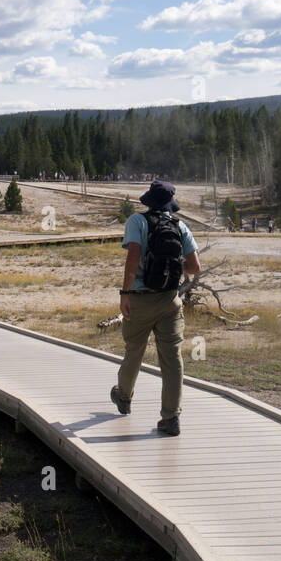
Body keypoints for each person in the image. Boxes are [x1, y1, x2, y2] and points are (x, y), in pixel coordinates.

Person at [109, 179, 200, 437]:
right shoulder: (180, 225)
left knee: (134, 352)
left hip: (139, 298)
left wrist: (125, 293)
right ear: (170, 204)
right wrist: (171, 267)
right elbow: (194, 268)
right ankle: (171, 417)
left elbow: (133, 257)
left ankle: (124, 397)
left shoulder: (137, 222)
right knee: (172, 358)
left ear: (149, 200)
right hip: (170, 300)